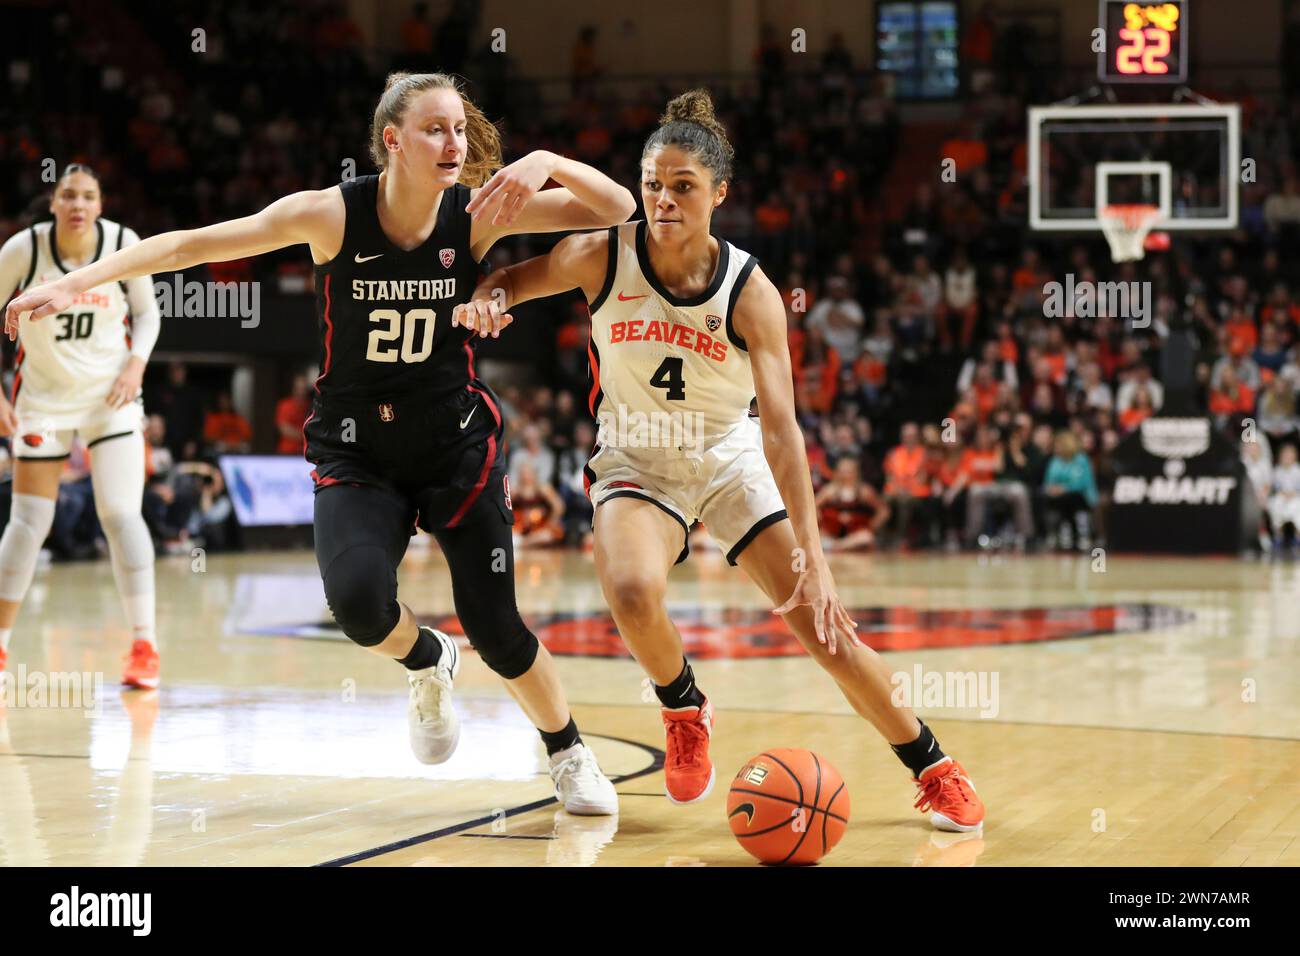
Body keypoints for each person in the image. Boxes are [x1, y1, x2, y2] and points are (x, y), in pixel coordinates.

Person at [6, 72, 637, 816]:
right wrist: (78, 284)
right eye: (435, 129)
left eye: (460, 130)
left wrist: (547, 162)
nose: (454, 143)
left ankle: (567, 751)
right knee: (360, 604)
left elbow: (622, 209)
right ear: (393, 141)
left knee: (498, 627)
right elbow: (193, 245)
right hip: (356, 448)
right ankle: (428, 659)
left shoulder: (478, 213)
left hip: (454, 442)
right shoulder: (331, 215)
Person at [454, 90, 985, 831]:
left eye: (682, 186)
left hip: (726, 454)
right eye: (652, 184)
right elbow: (511, 281)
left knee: (827, 632)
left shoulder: (751, 291)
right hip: (637, 452)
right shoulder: (602, 253)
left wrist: (815, 555)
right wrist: (486, 298)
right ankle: (683, 706)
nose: (663, 200)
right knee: (633, 591)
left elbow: (783, 431)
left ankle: (932, 765)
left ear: (719, 194)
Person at [0, 164, 161, 684]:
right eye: (67, 194)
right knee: (28, 523)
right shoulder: (23, 250)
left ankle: (145, 648)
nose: (77, 204)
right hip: (44, 400)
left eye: (88, 195)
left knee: (120, 513)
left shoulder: (121, 242)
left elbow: (148, 314)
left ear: (100, 203)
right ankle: (0, 649)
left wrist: (136, 364)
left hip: (109, 397)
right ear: (53, 203)